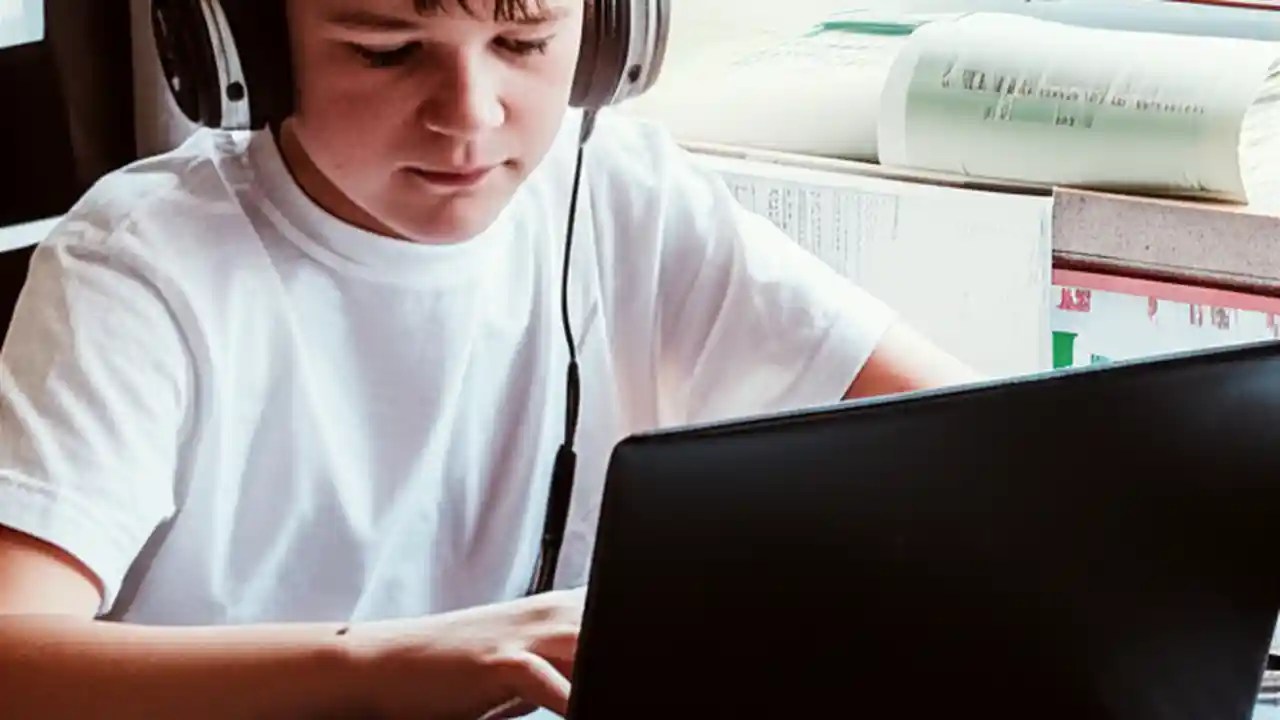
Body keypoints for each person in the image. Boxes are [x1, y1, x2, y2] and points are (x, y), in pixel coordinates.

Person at [0, 0, 978, 717]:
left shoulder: (623, 197)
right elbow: (13, 658)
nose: (468, 115)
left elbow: (984, 449)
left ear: (605, 41)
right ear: (253, 49)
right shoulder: (136, 271)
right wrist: (395, 665)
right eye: (387, 52)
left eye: (520, 41)